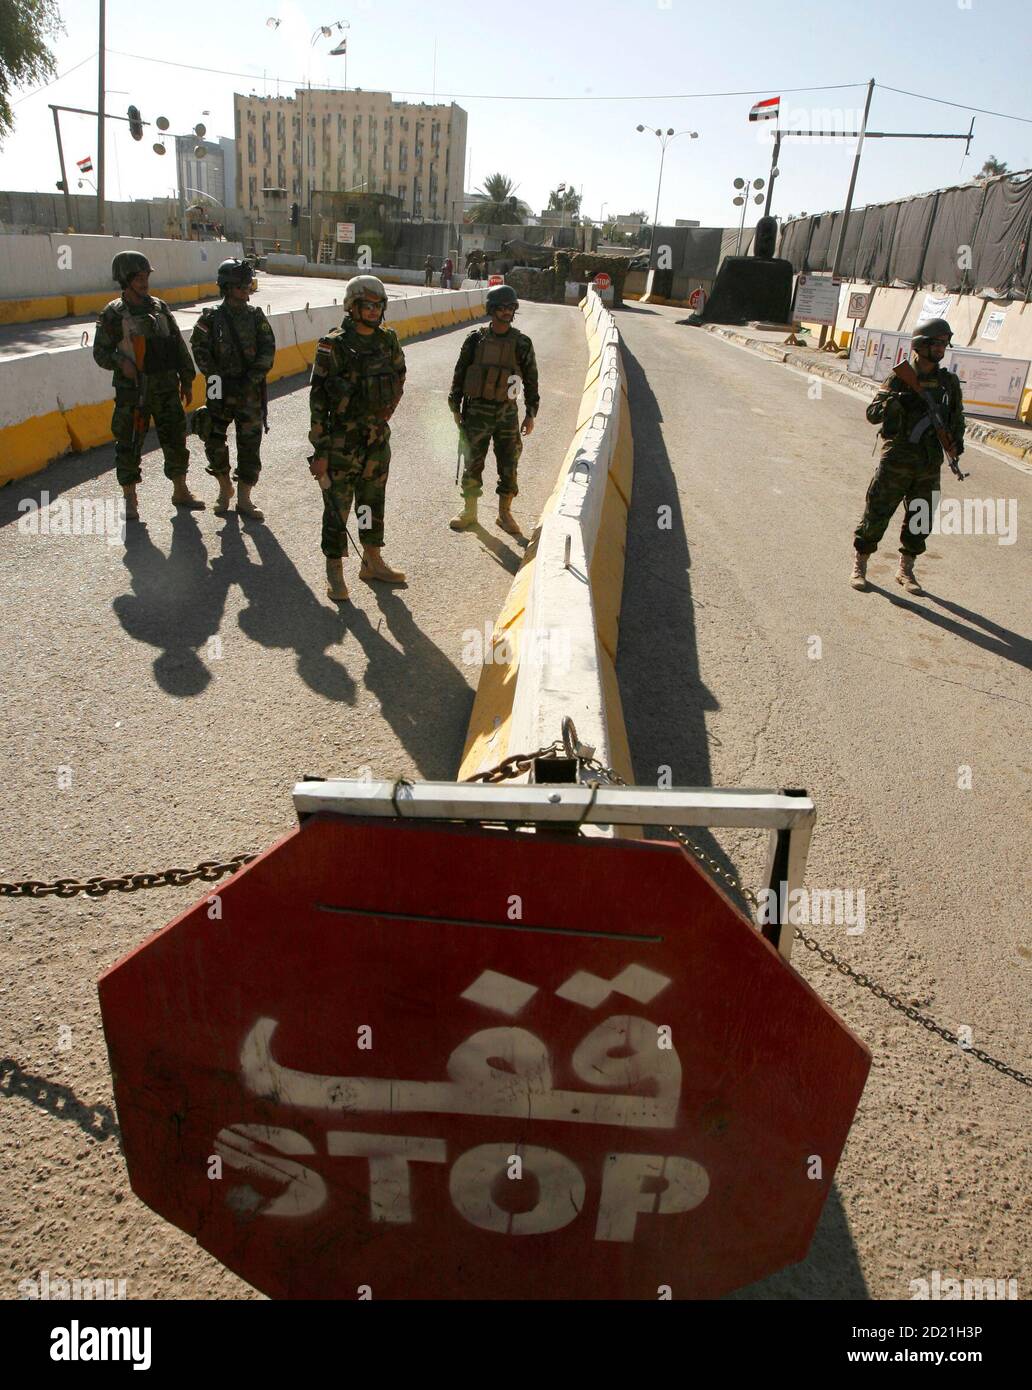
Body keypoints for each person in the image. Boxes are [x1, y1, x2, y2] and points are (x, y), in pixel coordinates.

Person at [308, 275, 407, 602]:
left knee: (371, 501)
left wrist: (385, 413)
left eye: (379, 305)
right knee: (337, 506)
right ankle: (334, 569)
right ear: (352, 307)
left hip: (377, 440)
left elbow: (399, 376)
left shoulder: (388, 340)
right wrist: (320, 449)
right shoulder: (333, 344)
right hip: (342, 443)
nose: (374, 311)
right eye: (368, 305)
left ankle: (372, 560)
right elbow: (319, 400)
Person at [851, 318, 965, 595]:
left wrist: (955, 445)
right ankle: (860, 563)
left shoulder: (948, 382)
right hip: (897, 458)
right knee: (878, 510)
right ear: (920, 345)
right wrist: (898, 400)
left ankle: (905, 569)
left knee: (921, 516)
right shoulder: (900, 377)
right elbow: (872, 414)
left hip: (928, 462)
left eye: (943, 343)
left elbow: (956, 418)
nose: (941, 348)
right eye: (936, 343)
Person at [92, 251, 201, 520]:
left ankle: (180, 490)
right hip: (134, 393)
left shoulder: (160, 308)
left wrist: (187, 379)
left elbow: (177, 345)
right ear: (125, 280)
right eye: (138, 278)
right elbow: (100, 352)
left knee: (176, 439)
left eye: (146, 276)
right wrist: (121, 362)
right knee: (129, 444)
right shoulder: (113, 314)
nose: (144, 282)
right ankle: (130, 498)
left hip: (166, 388)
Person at [447, 282, 538, 536]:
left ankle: (504, 513)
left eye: (511, 307)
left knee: (509, 463)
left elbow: (531, 379)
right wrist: (455, 407)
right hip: (477, 411)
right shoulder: (475, 340)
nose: (507, 311)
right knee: (473, 462)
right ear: (492, 309)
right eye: (502, 307)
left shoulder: (522, 343)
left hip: (507, 412)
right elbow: (460, 373)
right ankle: (469, 510)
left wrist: (531, 413)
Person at [190, 258, 276, 521]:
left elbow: (267, 350)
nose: (244, 290)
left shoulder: (256, 317)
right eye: (239, 285)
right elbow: (199, 349)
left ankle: (244, 498)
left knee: (250, 443)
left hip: (248, 389)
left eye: (247, 284)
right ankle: (224, 487)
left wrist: (252, 377)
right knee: (213, 437)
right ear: (226, 287)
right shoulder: (211, 318)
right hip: (219, 388)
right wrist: (215, 375)